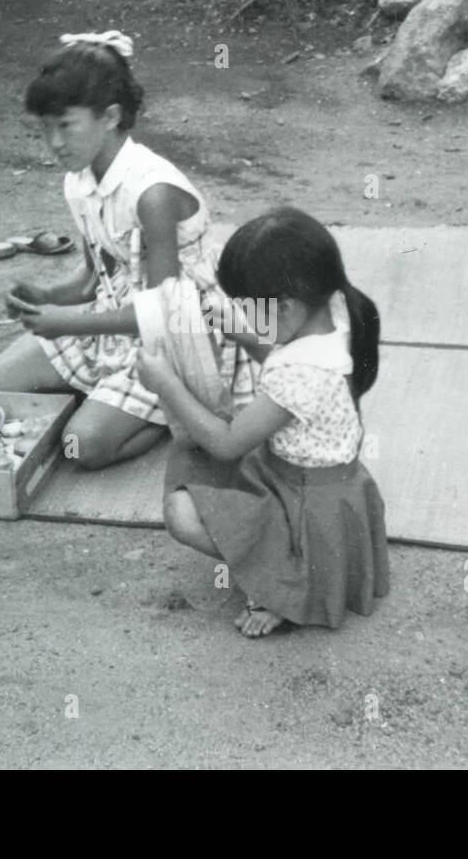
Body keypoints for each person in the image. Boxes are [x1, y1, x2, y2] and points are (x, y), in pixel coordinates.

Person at [0, 29, 255, 469]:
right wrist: (47, 298)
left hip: (184, 330)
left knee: (82, 446)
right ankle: (110, 401)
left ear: (110, 117)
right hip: (118, 317)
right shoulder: (79, 180)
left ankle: (178, 415)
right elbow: (94, 277)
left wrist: (67, 322)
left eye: (66, 125)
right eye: (45, 128)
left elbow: (161, 313)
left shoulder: (152, 194)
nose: (55, 144)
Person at [137, 207, 389, 638]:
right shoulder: (335, 321)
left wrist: (166, 384)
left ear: (287, 308)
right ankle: (286, 570)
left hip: (306, 504)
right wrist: (239, 332)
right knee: (207, 463)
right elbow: (279, 357)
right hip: (313, 484)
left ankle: (284, 589)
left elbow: (228, 443)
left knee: (181, 511)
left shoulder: (302, 375)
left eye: (250, 308)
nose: (244, 315)